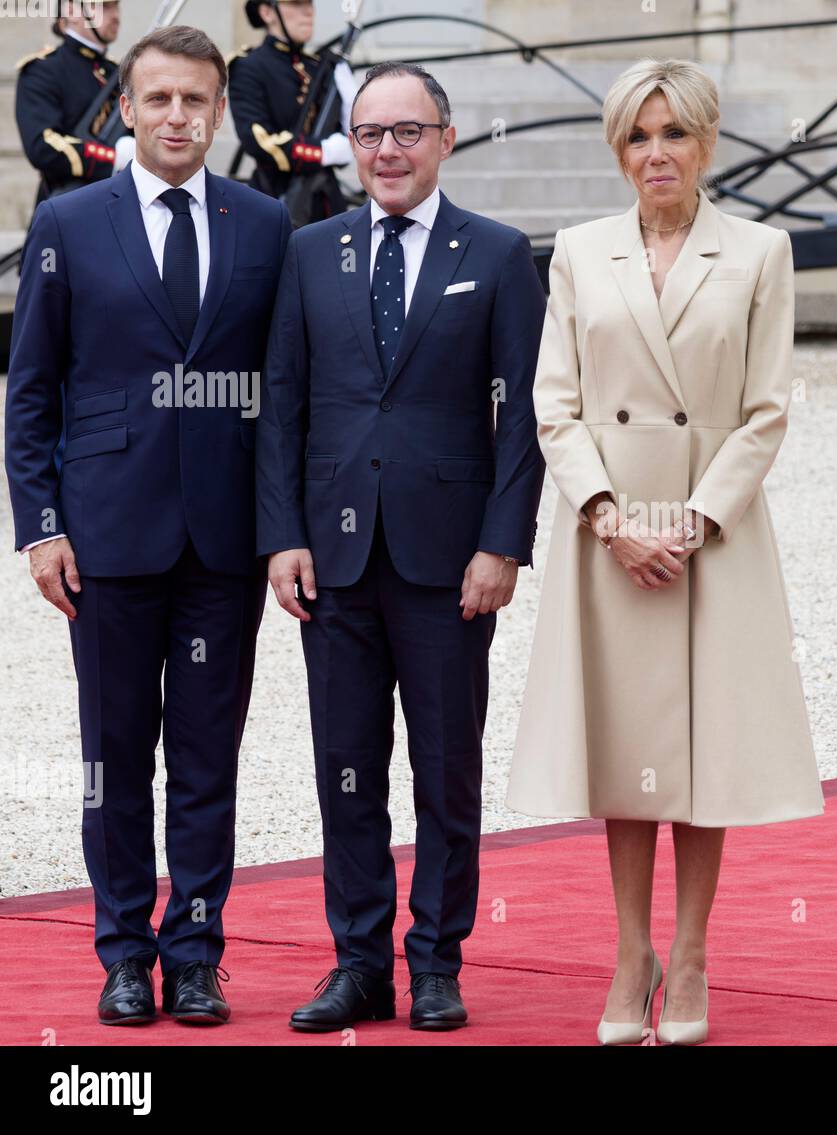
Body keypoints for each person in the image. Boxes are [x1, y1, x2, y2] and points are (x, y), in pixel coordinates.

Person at [507, 58, 825, 1045]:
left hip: (709, 536)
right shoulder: (578, 249)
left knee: (705, 746)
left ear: (707, 141)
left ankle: (688, 954)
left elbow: (768, 410)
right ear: (617, 148)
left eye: (673, 134)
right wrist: (608, 516)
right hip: (609, 533)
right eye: (639, 136)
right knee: (629, 747)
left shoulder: (761, 251)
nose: (656, 154)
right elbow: (551, 400)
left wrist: (692, 519)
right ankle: (627, 950)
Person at [5, 25, 292, 1026]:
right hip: (106, 539)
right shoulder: (72, 226)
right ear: (125, 109)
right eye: (159, 99)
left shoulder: (265, 224)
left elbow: (282, 391)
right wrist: (40, 523)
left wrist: (283, 525)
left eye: (195, 101)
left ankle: (197, 952)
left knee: (207, 761)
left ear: (219, 110)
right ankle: (123, 950)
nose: (178, 117)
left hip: (222, 546)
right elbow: (31, 391)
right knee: (114, 760)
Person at [257, 61, 547, 1032]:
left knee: (444, 769)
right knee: (345, 769)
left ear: (446, 139)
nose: (387, 150)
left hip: (448, 563)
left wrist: (503, 543)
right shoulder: (309, 252)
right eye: (370, 132)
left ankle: (435, 962)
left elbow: (521, 418)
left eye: (408, 131)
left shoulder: (501, 256)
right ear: (350, 143)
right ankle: (358, 963)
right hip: (333, 564)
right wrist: (281, 537)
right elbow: (282, 409)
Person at [227, 0, 354, 219]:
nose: (308, 12)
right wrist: (323, 152)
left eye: (309, 4)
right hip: (277, 195)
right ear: (267, 12)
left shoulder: (319, 67)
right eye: (296, 4)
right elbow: (258, 139)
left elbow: (344, 133)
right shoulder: (249, 66)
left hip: (327, 200)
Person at [14, 0, 130, 211]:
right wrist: (113, 158)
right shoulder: (43, 70)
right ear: (71, 10)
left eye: (116, 6)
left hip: (119, 205)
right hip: (65, 206)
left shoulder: (117, 73)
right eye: (104, 6)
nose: (115, 15)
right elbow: (42, 146)